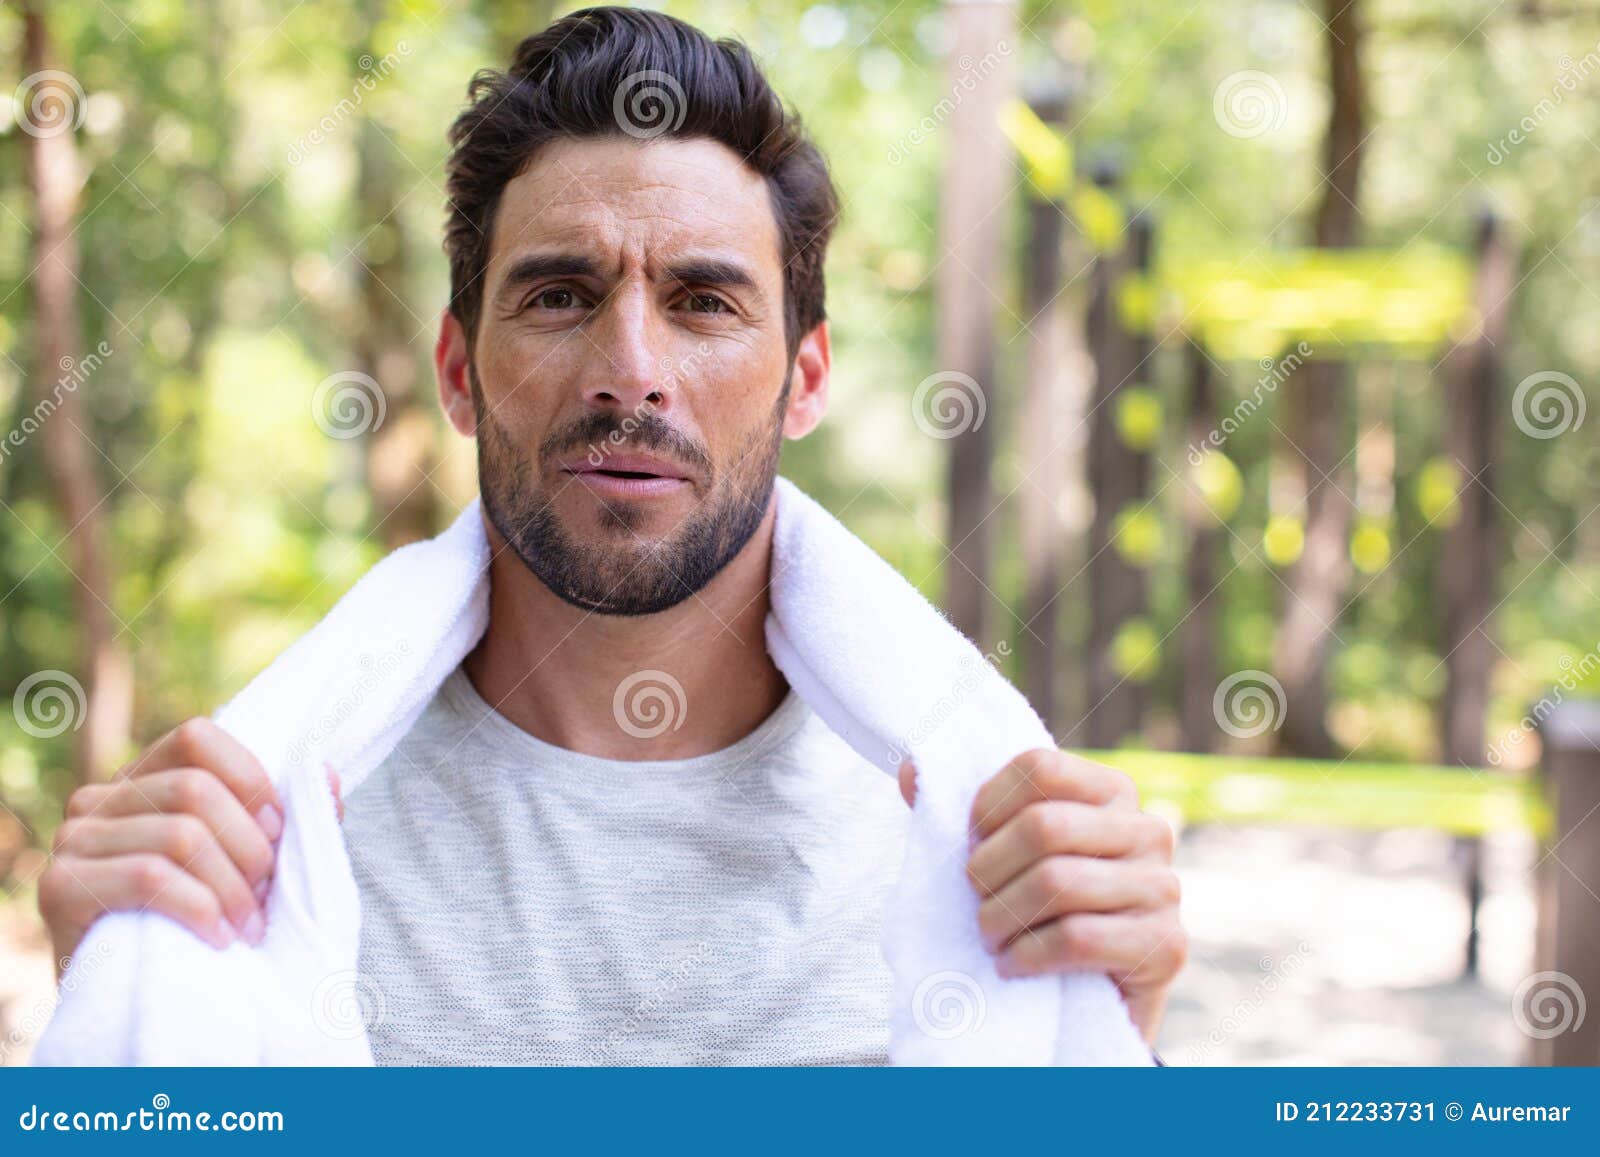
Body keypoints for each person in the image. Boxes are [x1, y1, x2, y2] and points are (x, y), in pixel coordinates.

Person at [38, 6, 1183, 1065]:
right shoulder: (255, 848)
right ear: (456, 369)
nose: (629, 371)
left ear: (805, 378)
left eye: (703, 303)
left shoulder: (982, 845)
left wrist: (1108, 1026)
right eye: (558, 295)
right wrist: (121, 995)